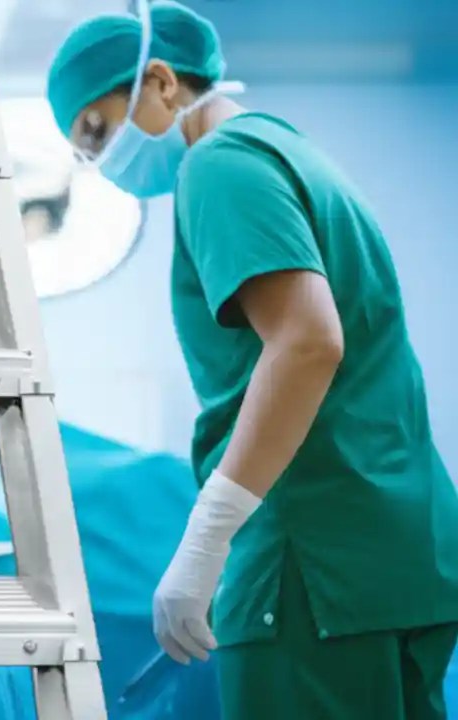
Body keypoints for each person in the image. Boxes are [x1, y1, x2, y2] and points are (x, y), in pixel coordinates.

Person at [46, 1, 458, 718]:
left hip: (311, 572)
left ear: (162, 81)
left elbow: (307, 342)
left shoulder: (222, 165)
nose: (101, 162)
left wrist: (207, 539)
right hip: (393, 556)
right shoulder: (293, 153)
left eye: (97, 131)